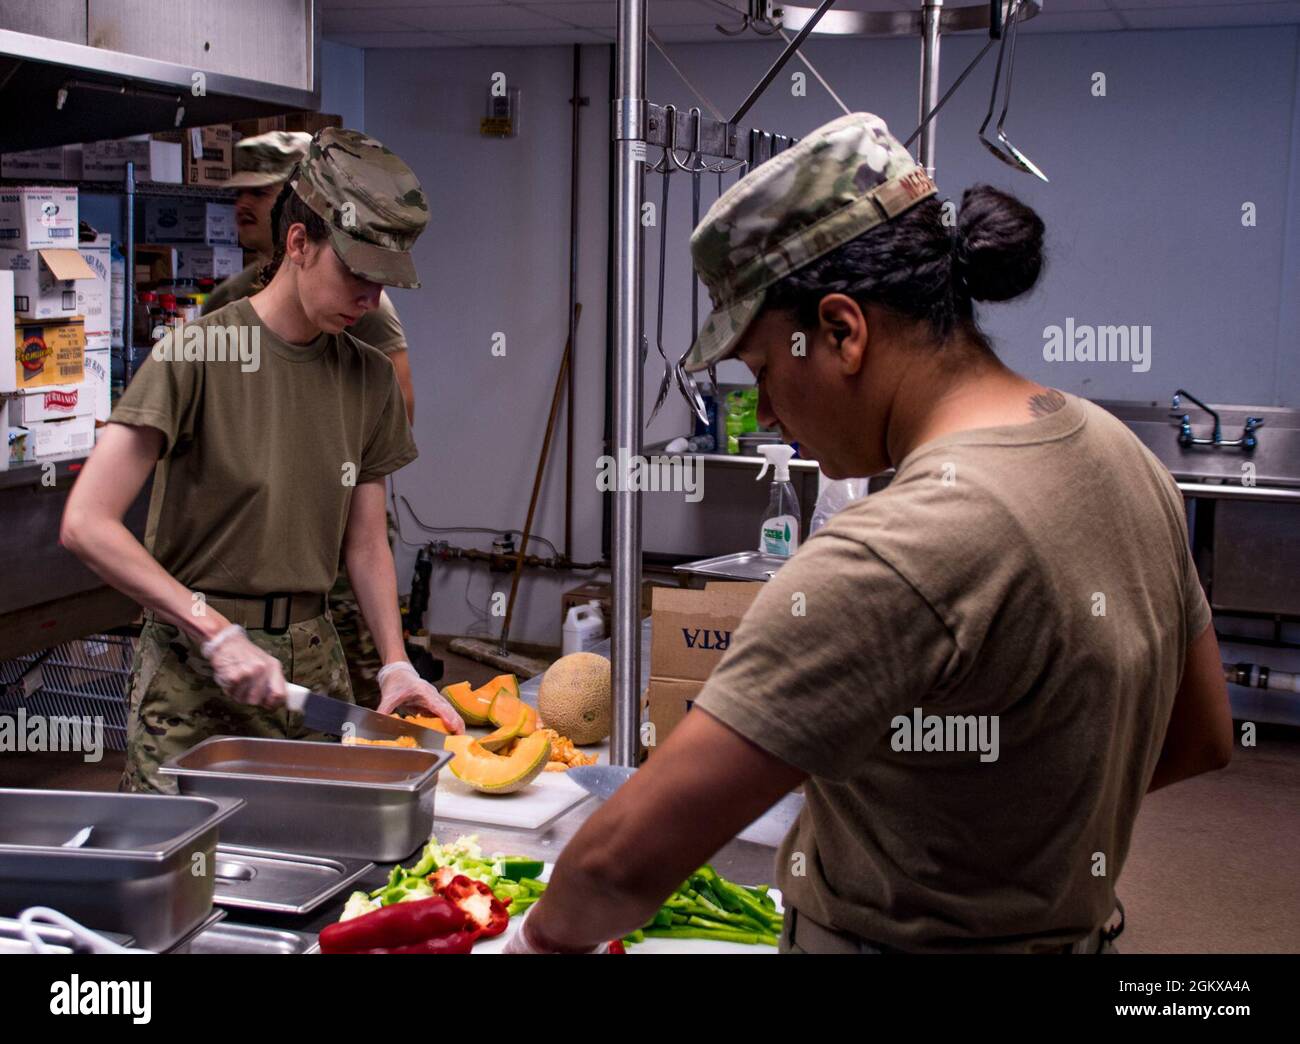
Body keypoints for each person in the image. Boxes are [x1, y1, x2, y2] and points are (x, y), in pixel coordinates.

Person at [507, 113, 1233, 954]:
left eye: (763, 369)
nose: (768, 411)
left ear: (843, 331)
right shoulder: (1119, 453)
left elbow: (617, 866)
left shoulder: (894, 550)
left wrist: (533, 945)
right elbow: (1203, 737)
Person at [61, 129, 463, 794]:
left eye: (382, 281)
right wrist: (214, 632)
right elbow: (87, 523)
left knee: (315, 864)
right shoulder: (195, 356)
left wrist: (395, 663)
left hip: (313, 665)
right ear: (298, 243)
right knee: (185, 874)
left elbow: (365, 544)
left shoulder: (366, 379)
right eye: (356, 274)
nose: (369, 298)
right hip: (195, 672)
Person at [209, 130, 416, 709]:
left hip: (330, 528)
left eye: (263, 191)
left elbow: (393, 406)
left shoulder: (355, 300)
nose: (246, 205)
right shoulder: (222, 311)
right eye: (240, 192)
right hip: (243, 571)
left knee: (349, 668)